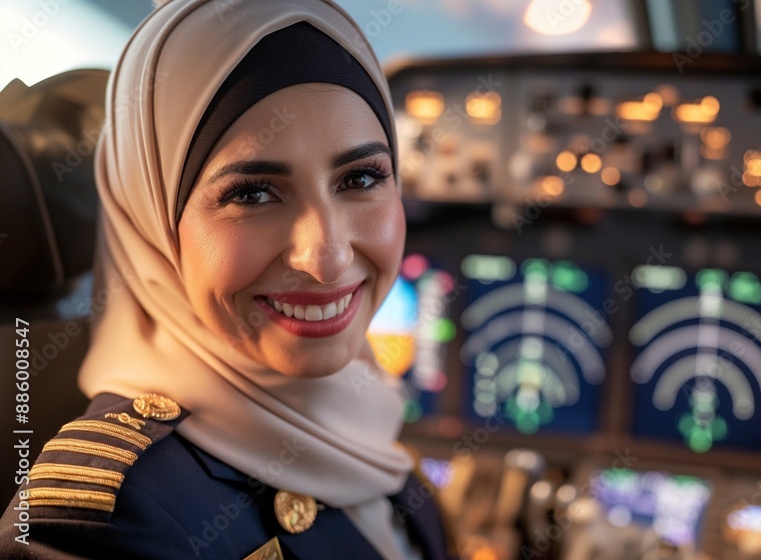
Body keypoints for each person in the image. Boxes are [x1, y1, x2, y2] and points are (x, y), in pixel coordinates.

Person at [0, 0, 456, 558]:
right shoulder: (106, 526)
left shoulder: (365, 416)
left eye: (360, 177)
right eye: (252, 194)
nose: (328, 258)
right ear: (152, 224)